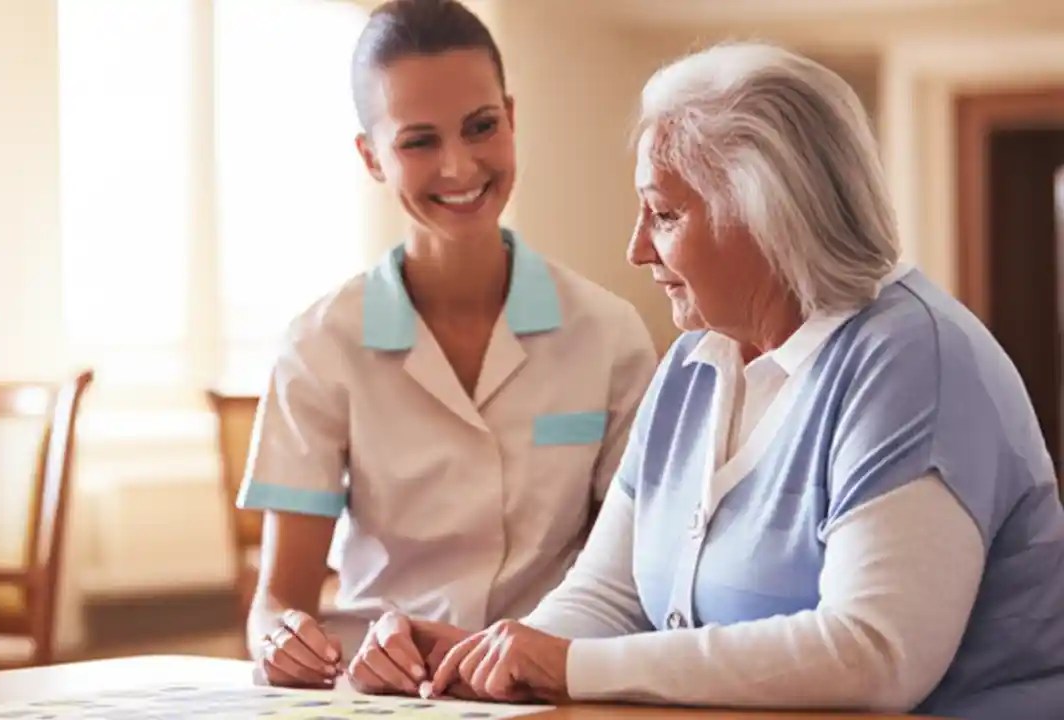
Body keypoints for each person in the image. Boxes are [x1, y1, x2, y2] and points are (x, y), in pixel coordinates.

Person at [360, 42, 1064, 719]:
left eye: (665, 215)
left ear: (772, 215)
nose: (636, 249)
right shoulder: (693, 366)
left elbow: (874, 653)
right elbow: (607, 598)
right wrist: (487, 660)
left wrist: (568, 667)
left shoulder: (913, 359)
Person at [237, 0, 658, 693]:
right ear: (371, 157)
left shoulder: (608, 334)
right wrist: (284, 642)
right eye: (419, 141)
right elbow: (278, 603)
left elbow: (634, 576)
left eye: (481, 127)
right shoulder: (320, 345)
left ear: (511, 119)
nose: (459, 166)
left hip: (545, 682)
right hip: (385, 687)